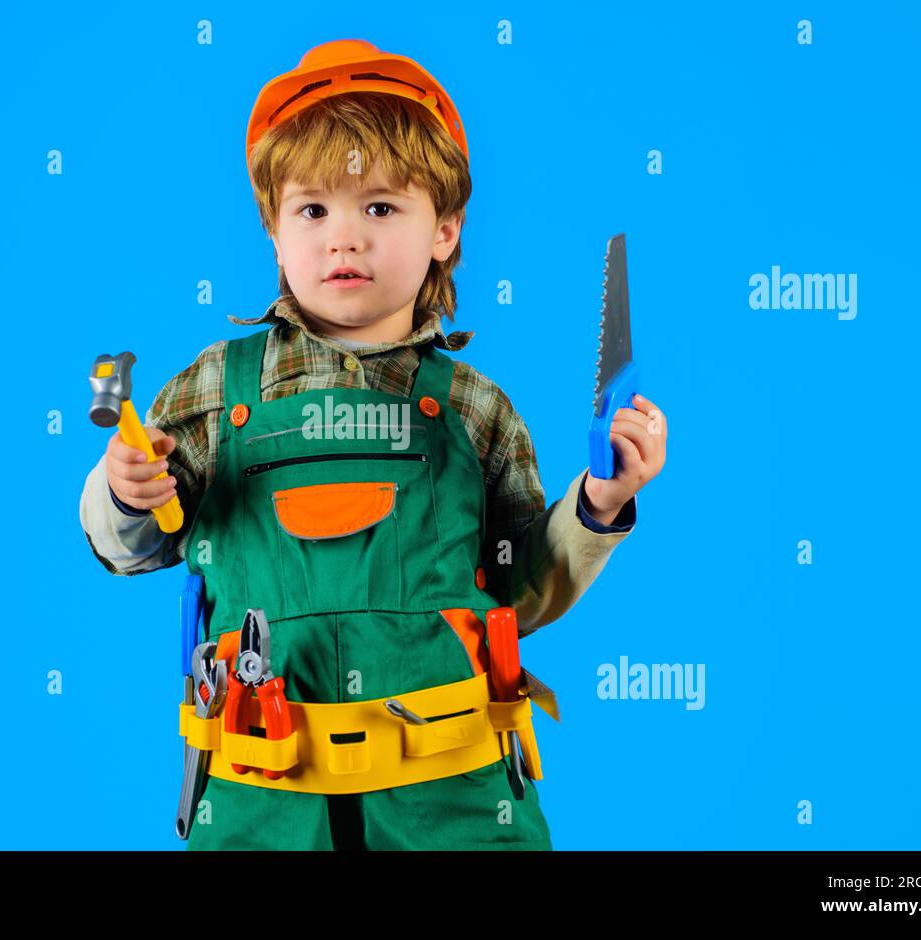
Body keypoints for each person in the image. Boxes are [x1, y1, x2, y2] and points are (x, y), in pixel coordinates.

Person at [79, 40, 668, 850]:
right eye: (313, 211)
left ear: (445, 231)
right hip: (260, 802)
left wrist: (600, 503)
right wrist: (123, 493)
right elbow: (127, 550)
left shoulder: (473, 407)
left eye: (381, 208)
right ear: (273, 231)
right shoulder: (211, 391)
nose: (344, 239)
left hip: (455, 804)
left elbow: (521, 592)